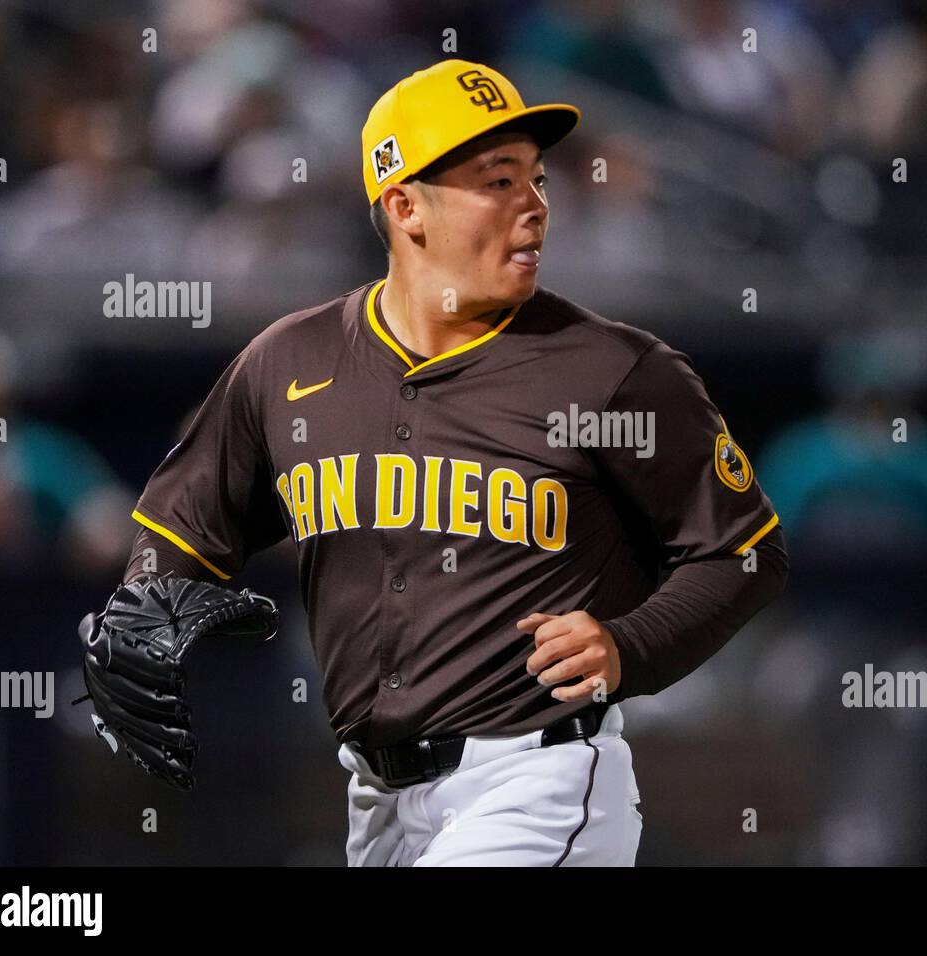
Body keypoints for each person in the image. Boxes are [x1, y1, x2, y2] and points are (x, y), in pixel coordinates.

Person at [115, 59, 788, 866]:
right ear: (405, 205)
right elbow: (185, 522)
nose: (535, 206)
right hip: (376, 803)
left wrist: (629, 644)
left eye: (536, 180)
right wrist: (140, 618)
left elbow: (744, 551)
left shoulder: (613, 371)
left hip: (536, 781)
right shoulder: (288, 363)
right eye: (497, 181)